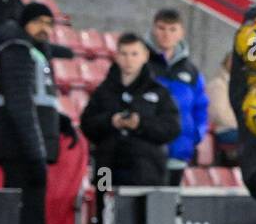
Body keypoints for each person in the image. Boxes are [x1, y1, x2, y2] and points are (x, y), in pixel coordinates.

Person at [0, 4, 78, 224]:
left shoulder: (36, 51)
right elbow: (19, 104)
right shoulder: (16, 49)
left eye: (49, 22)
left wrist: (60, 123)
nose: (45, 27)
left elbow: (38, 101)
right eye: (39, 21)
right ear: (25, 22)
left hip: (30, 147)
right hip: (21, 151)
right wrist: (36, 152)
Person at [80, 33, 181, 186]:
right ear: (117, 56)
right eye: (124, 54)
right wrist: (111, 121)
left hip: (146, 169)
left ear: (145, 56)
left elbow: (172, 128)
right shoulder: (103, 91)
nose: (129, 59)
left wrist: (140, 124)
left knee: (141, 209)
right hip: (105, 166)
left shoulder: (159, 92)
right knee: (102, 206)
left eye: (134, 54)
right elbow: (87, 124)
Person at [145, 10, 207, 186]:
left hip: (180, 149)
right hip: (146, 152)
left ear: (181, 33)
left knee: (171, 205)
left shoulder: (191, 71)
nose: (166, 34)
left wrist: (197, 134)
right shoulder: (140, 63)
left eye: (173, 29)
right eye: (162, 28)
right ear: (153, 29)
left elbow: (201, 107)